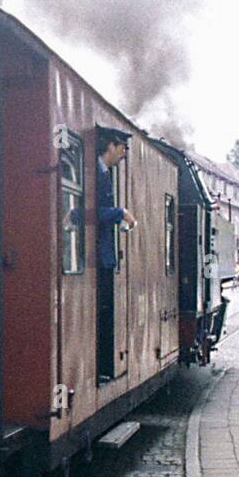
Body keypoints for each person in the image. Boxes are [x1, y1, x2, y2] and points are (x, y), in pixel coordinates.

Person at [94, 126, 137, 381]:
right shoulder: (97, 174)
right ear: (111, 146)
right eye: (122, 149)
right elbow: (86, 212)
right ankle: (101, 367)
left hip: (103, 254)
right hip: (97, 255)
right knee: (103, 313)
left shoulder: (103, 172)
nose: (123, 155)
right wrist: (120, 213)